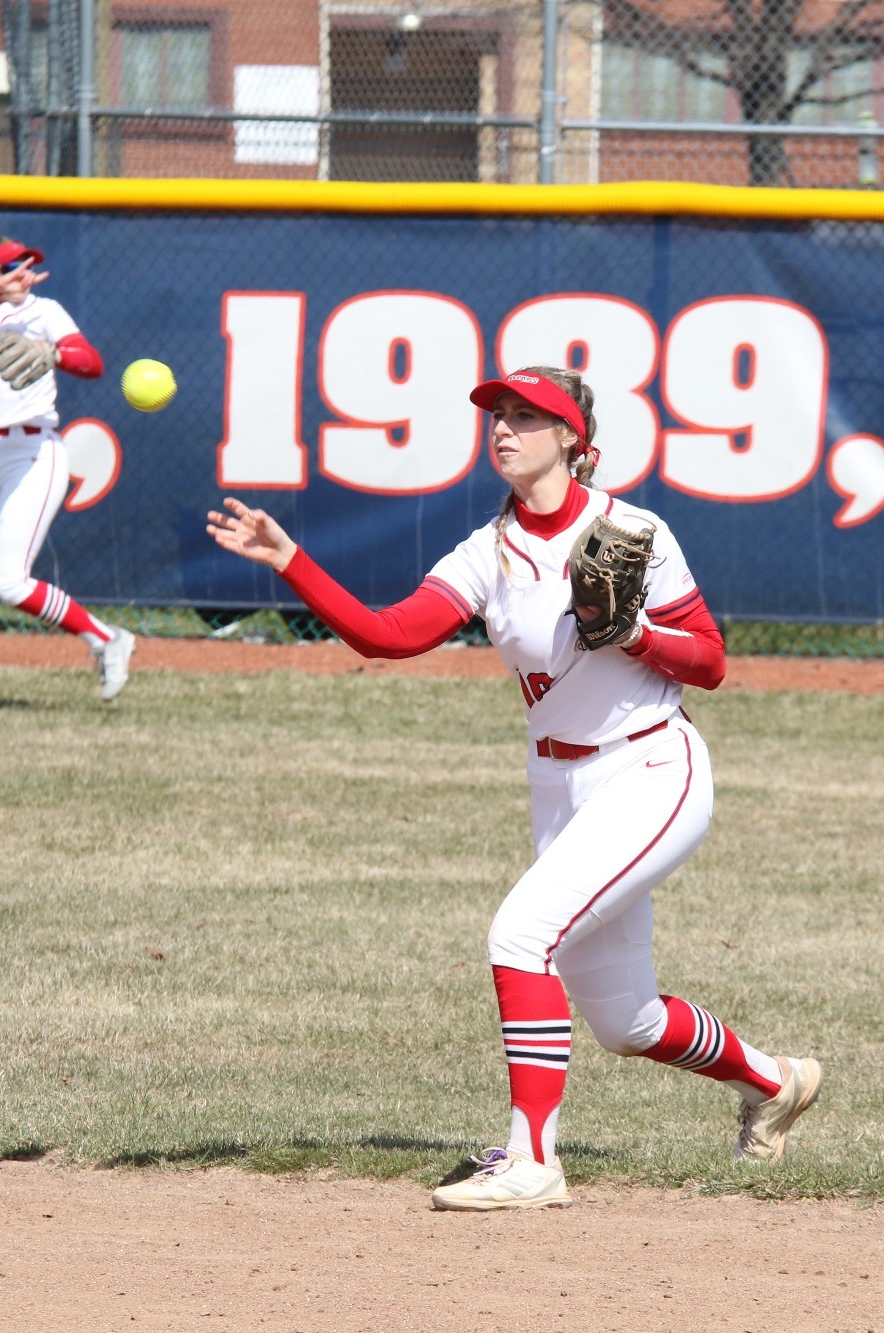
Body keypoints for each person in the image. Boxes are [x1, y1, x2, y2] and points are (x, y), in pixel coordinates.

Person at [206, 366, 822, 1210]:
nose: (504, 427)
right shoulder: (486, 554)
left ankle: (533, 1160)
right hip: (559, 785)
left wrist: (637, 632)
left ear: (574, 439)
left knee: (519, 934)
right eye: (498, 414)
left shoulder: (631, 529)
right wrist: (291, 561)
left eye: (528, 416)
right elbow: (389, 636)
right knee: (625, 1020)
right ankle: (776, 1080)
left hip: (651, 767)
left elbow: (710, 662)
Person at [0, 236, 135, 713]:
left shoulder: (45, 311)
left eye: (28, 265)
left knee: (10, 582)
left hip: (34, 451)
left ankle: (107, 638)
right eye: (12, 266)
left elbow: (92, 362)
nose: (24, 273)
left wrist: (55, 355)